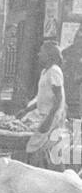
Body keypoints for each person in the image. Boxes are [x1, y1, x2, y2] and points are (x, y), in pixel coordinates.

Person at [26, 40, 68, 170]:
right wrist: (27, 109)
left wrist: (49, 120)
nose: (38, 54)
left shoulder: (54, 71)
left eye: (41, 52)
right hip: (46, 115)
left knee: (34, 147)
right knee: (51, 150)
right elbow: (42, 96)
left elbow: (58, 99)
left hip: (53, 117)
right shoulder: (45, 71)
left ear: (49, 56)